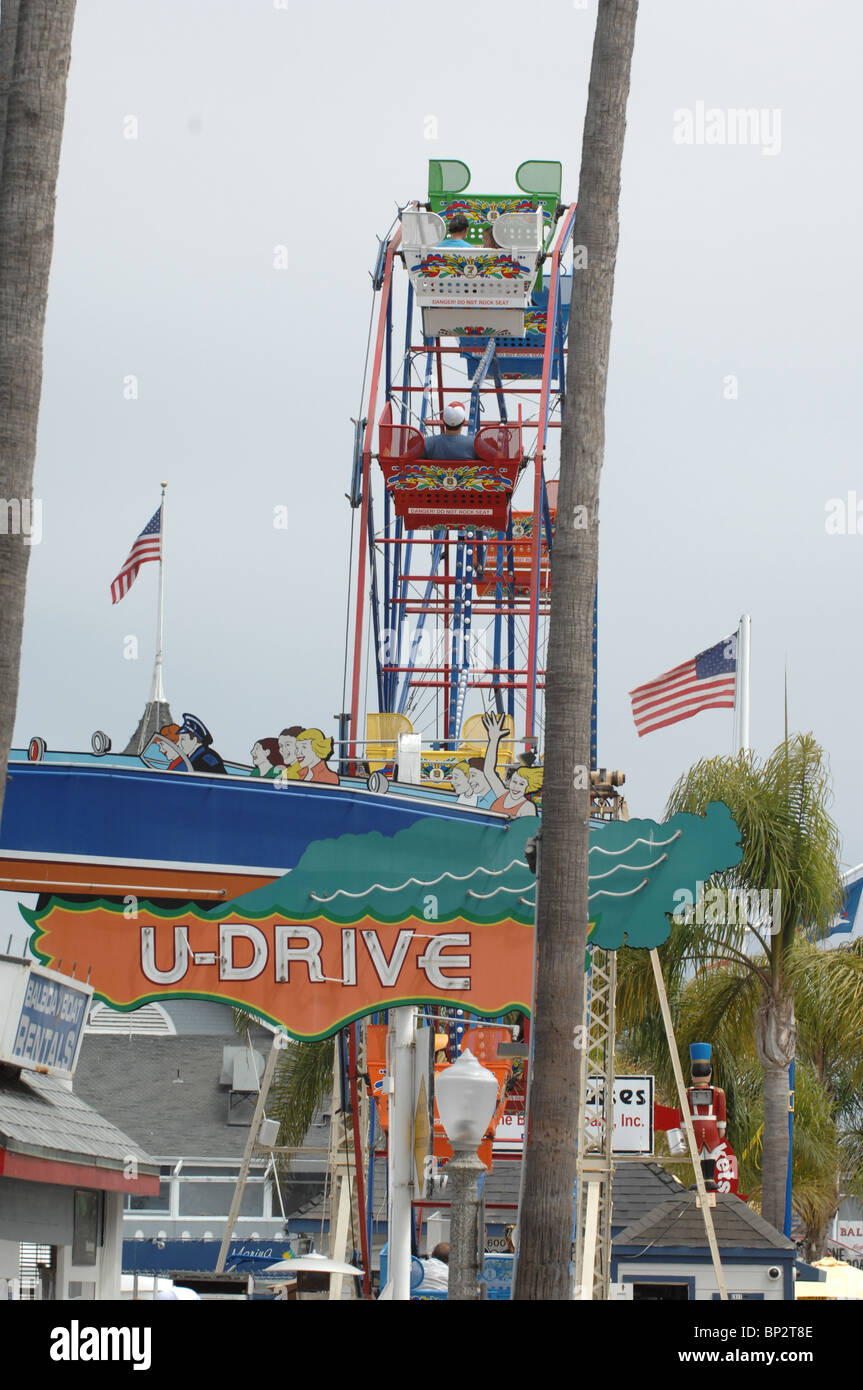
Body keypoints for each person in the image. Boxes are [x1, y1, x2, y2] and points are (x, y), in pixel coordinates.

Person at [481, 710, 540, 817]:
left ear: (528, 787)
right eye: (514, 781)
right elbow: (488, 770)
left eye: (521, 784)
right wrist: (494, 739)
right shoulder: (503, 794)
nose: (516, 787)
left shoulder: (528, 807)